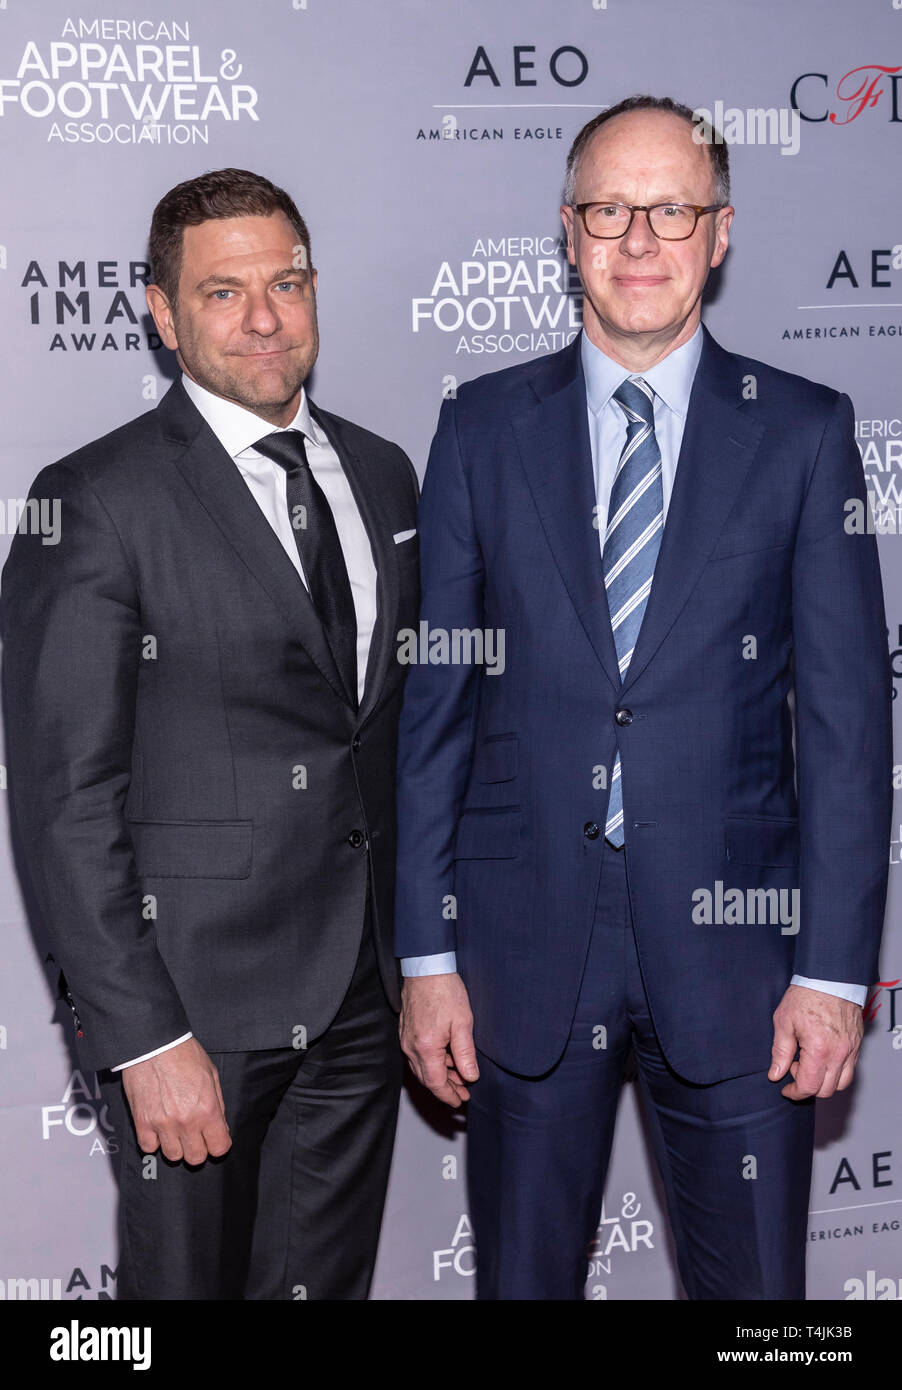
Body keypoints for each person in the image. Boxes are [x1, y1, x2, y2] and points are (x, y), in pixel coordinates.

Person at [393, 96, 892, 1300]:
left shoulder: (806, 434)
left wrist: (831, 974)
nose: (637, 242)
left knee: (760, 1310)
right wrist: (424, 952)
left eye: (669, 210)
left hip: (740, 963)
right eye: (608, 210)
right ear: (565, 232)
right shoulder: (479, 427)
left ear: (717, 233)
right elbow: (434, 712)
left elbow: (842, 731)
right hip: (519, 952)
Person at [2, 168, 420, 1300]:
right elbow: (63, 799)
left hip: (356, 998)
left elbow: (387, 741)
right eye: (224, 292)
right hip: (191, 1015)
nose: (265, 317)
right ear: (161, 311)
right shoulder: (94, 500)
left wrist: (420, 964)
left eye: (286, 283)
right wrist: (141, 1040)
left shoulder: (381, 474)